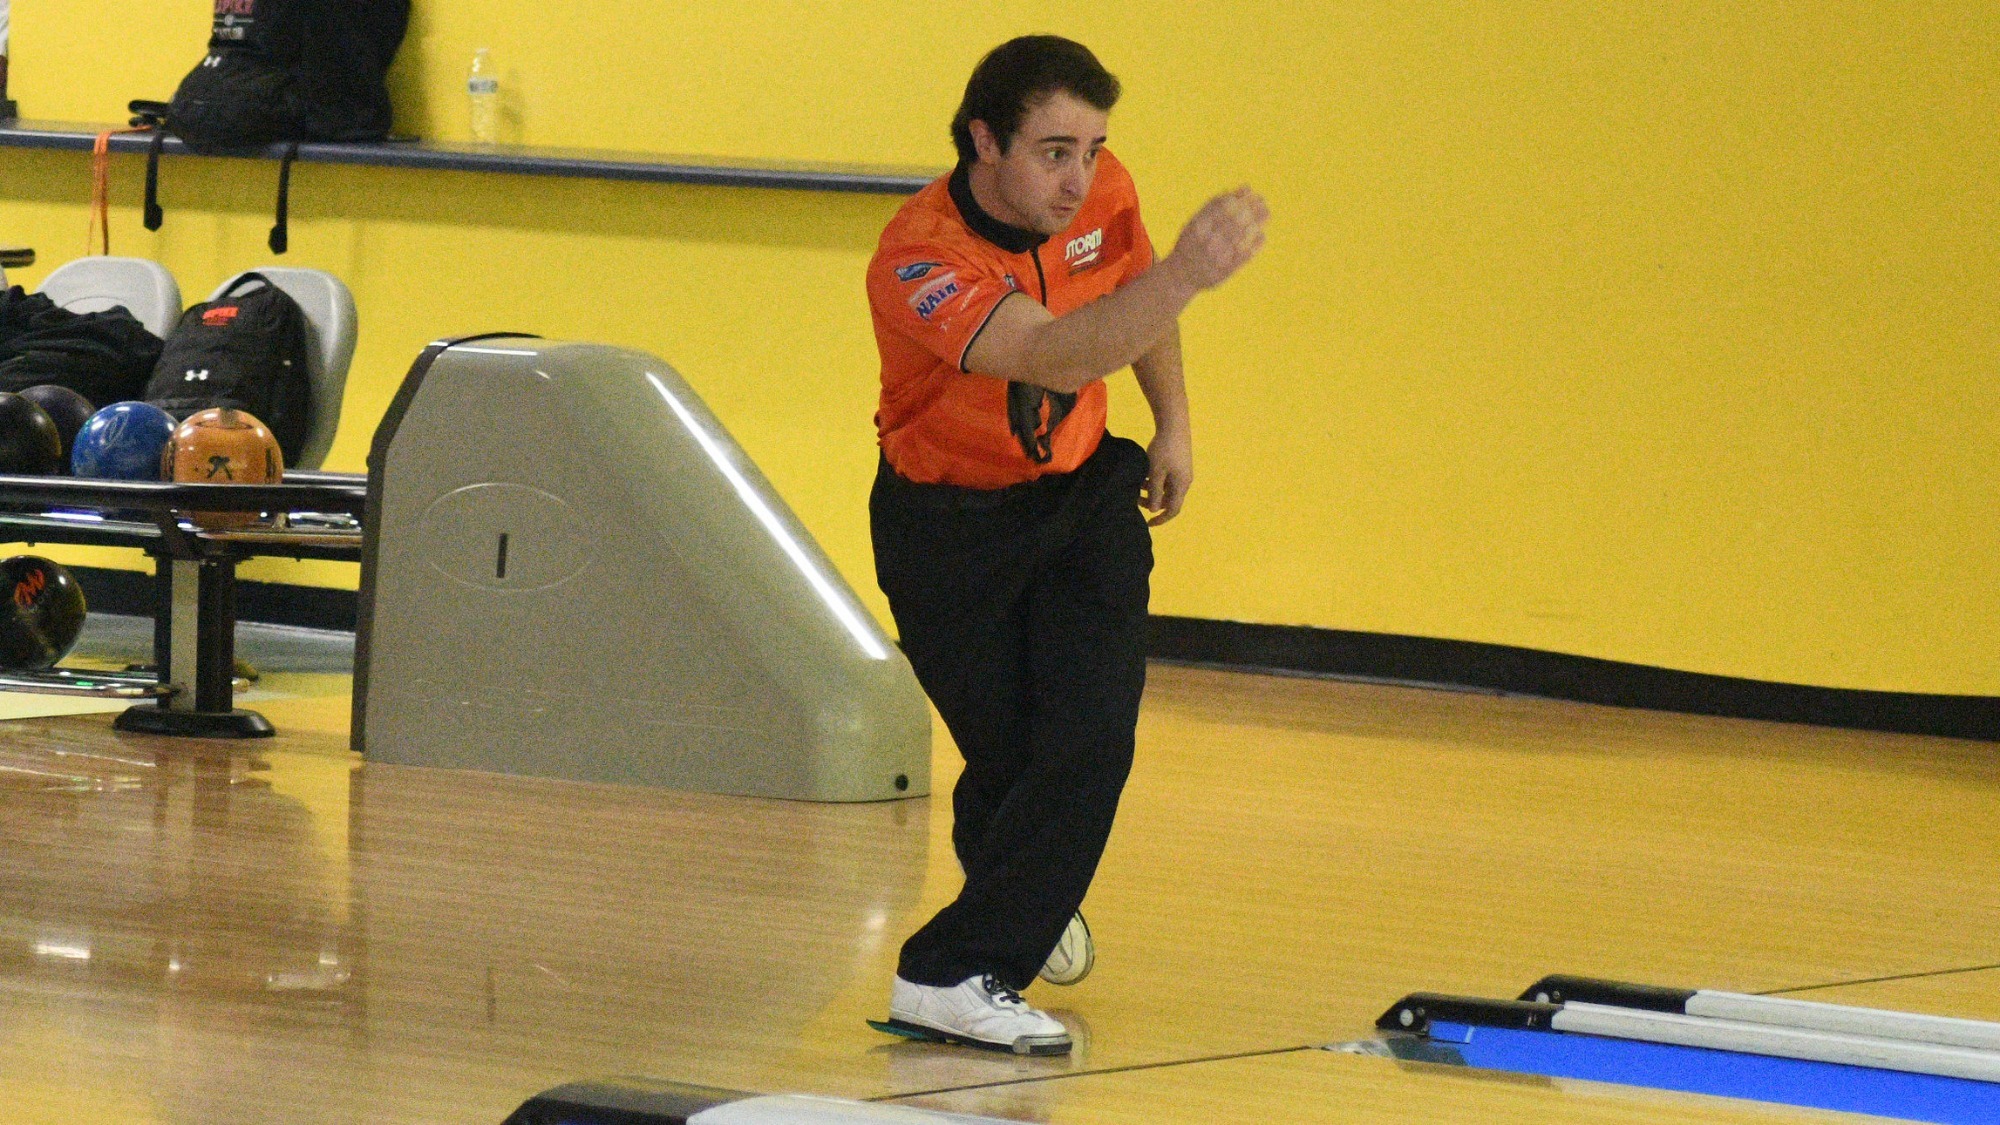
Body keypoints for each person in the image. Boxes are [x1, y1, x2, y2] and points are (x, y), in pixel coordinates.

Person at [866, 34, 1267, 1055]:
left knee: (1089, 737)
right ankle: (1016, 898)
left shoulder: (1099, 194)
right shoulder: (916, 258)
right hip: (949, 530)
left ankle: (951, 972)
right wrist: (1186, 275)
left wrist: (1172, 423)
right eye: (1052, 151)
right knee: (1014, 758)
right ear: (983, 141)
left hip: (1082, 496)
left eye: (1092, 149)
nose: (1078, 176)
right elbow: (1050, 351)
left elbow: (1126, 296)